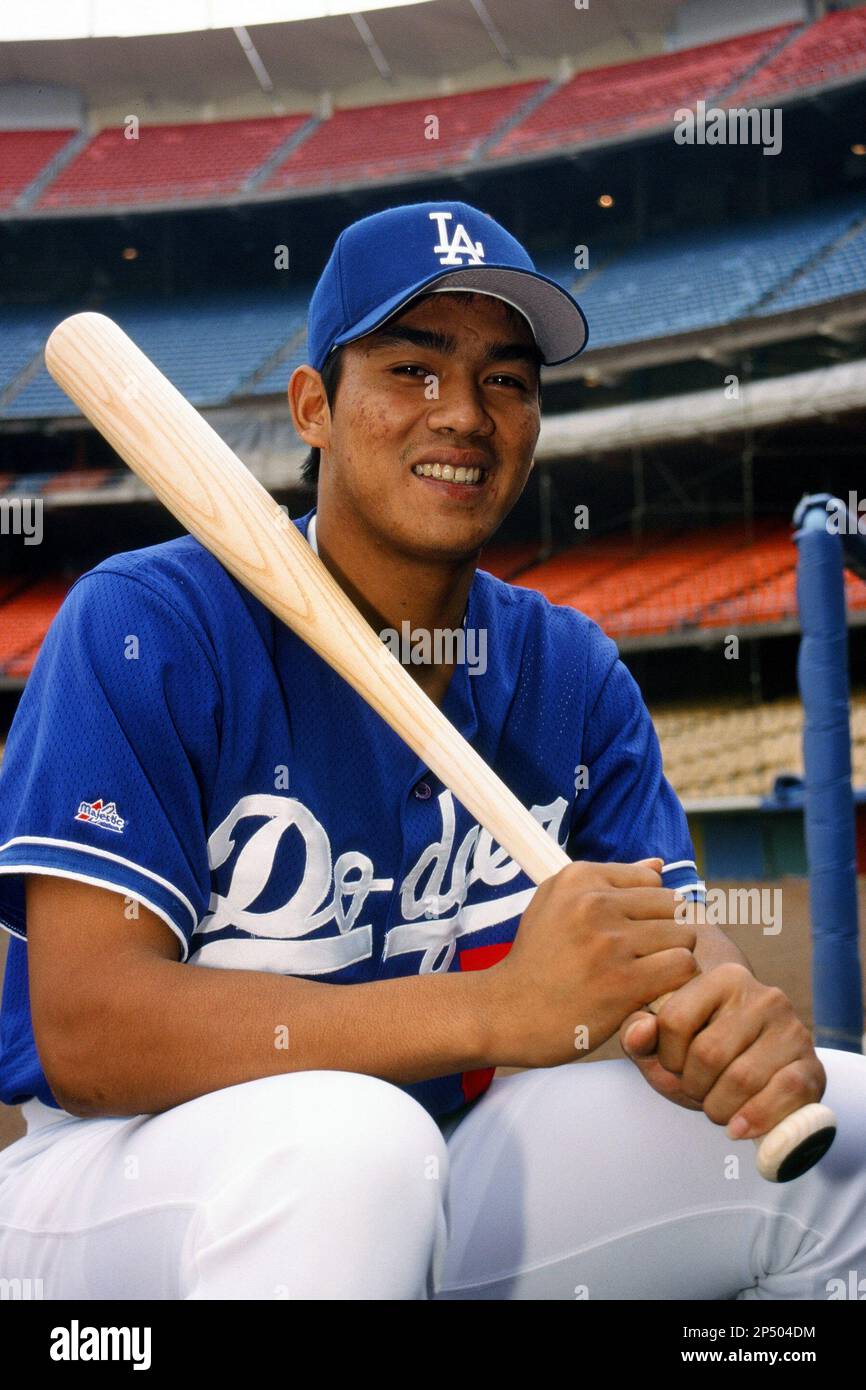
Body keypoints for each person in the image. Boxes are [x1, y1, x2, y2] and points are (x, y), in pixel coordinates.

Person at [0, 200, 863, 1301]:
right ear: (313, 406)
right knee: (349, 1151)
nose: (462, 414)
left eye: (505, 380)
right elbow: (89, 1031)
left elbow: (672, 946)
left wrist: (729, 1017)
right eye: (412, 369)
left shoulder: (568, 669)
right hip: (127, 1181)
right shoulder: (150, 624)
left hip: (437, 1160)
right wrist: (494, 1011)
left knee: (849, 1135)